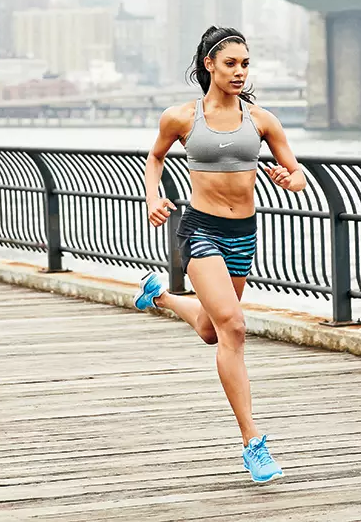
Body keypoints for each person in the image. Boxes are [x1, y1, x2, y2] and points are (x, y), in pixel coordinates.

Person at [135, 26, 306, 483]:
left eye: (245, 64)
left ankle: (161, 297)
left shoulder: (262, 119)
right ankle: (254, 442)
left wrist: (293, 180)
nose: (239, 71)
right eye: (230, 63)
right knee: (234, 325)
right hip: (201, 229)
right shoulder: (181, 117)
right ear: (209, 64)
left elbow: (296, 169)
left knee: (213, 329)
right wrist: (152, 197)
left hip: (243, 234)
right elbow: (154, 158)